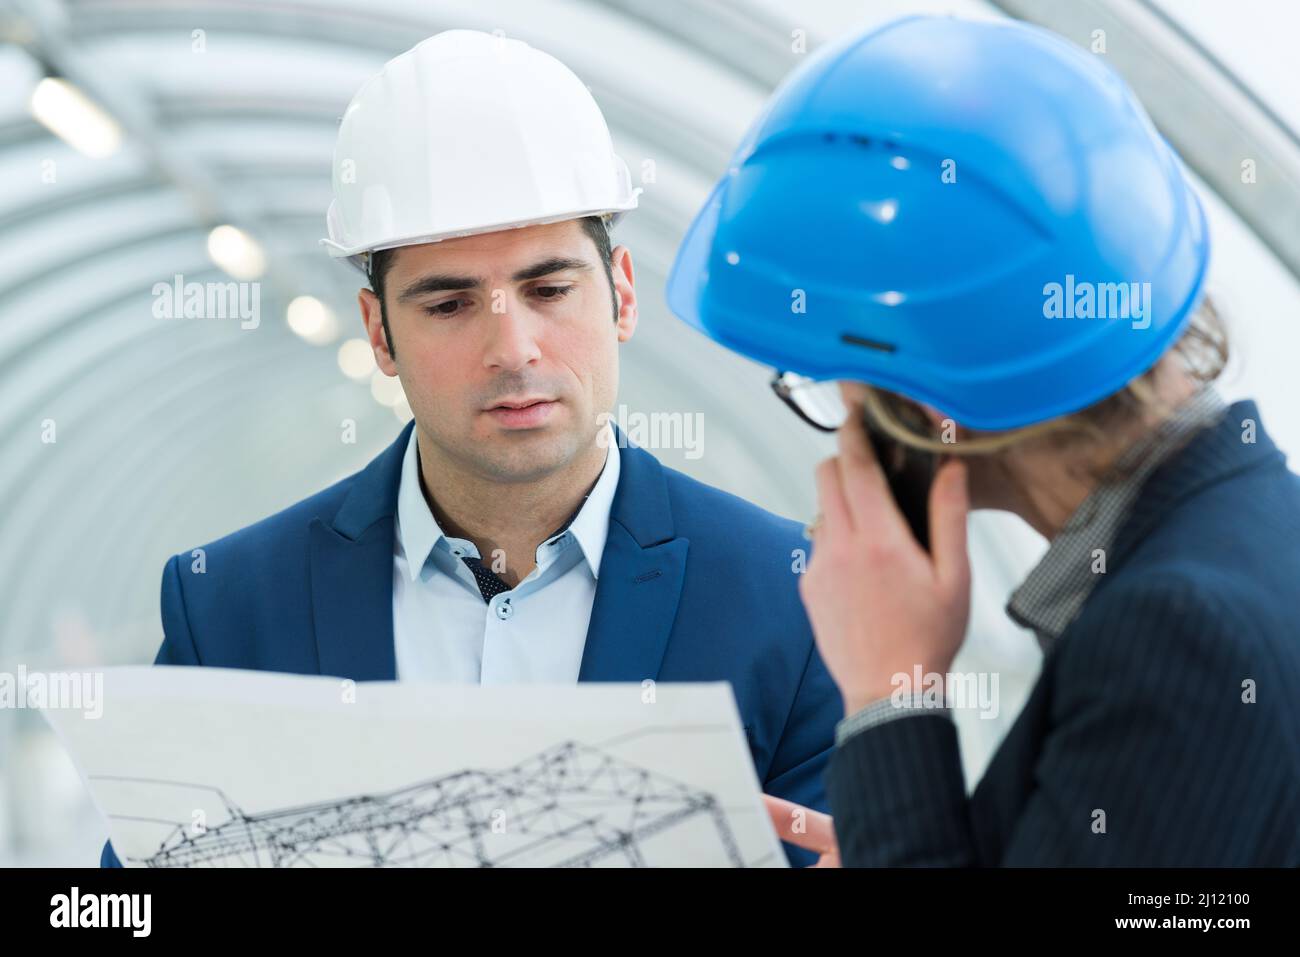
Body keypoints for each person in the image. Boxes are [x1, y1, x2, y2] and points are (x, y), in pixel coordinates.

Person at [100, 30, 839, 867]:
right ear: (380, 332)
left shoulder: (797, 599)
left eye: (550, 288)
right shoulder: (230, 609)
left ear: (622, 293)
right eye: (449, 305)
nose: (513, 347)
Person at [669, 15, 1300, 865]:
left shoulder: (1178, 630)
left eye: (826, 381)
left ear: (919, 400)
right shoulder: (1248, 530)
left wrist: (891, 695)